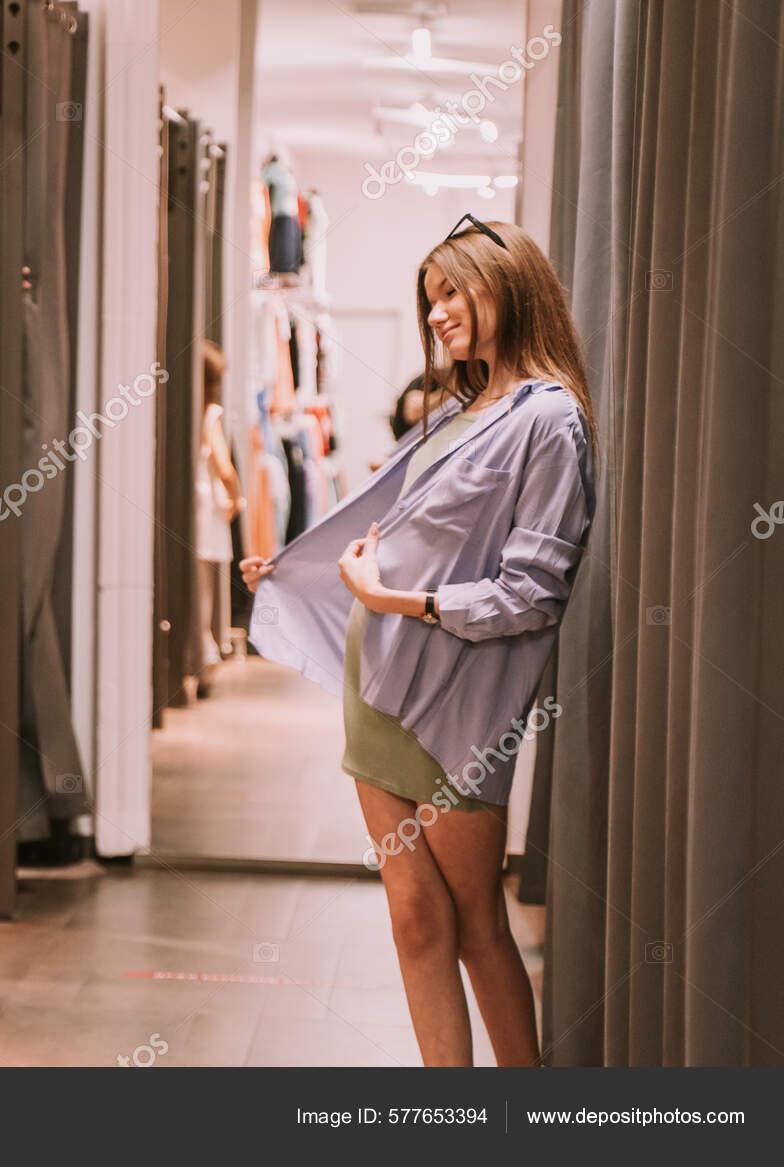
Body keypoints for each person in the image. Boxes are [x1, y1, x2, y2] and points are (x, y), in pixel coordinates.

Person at [239, 216, 596, 1067]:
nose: (436, 313)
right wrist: (298, 568)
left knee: (475, 924)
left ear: (508, 286)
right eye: (429, 298)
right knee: (412, 917)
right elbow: (394, 532)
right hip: (377, 692)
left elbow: (531, 593)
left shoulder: (551, 419)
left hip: (458, 710)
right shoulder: (461, 410)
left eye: (452, 291)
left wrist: (395, 598)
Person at [193, 340, 243, 698]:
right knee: (204, 589)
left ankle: (201, 653)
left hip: (196, 503)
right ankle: (205, 656)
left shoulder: (186, 412)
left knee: (197, 585)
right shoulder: (210, 414)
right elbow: (224, 467)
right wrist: (236, 496)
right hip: (207, 506)